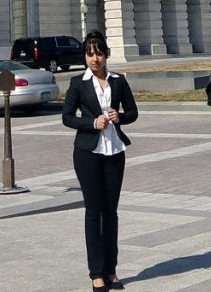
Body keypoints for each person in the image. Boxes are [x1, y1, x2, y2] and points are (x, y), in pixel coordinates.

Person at [62, 30, 138, 292]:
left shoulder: (118, 80)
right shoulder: (78, 83)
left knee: (111, 212)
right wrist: (92, 122)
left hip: (115, 151)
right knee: (94, 212)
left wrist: (120, 117)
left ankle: (111, 270)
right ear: (85, 56)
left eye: (99, 53)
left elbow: (133, 112)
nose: (95, 59)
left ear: (106, 54)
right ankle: (96, 272)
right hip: (87, 153)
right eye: (90, 54)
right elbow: (67, 117)